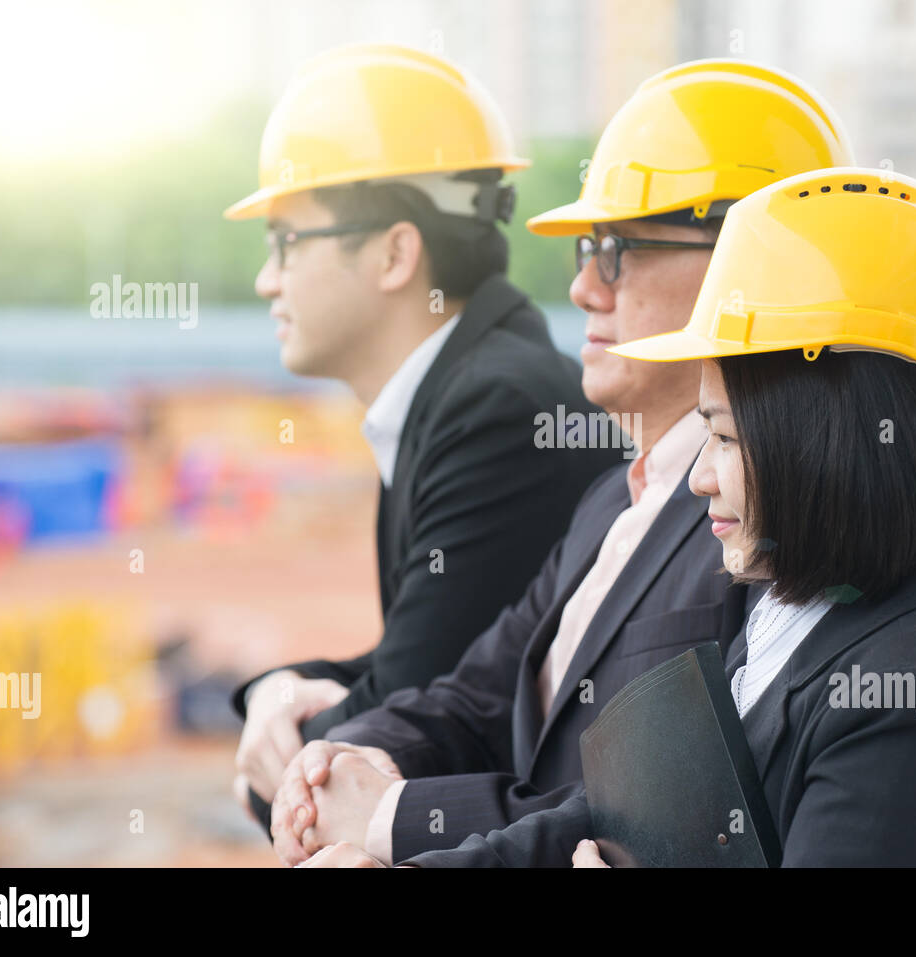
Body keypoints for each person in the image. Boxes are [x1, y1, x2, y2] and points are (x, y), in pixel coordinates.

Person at [342, 166, 916, 867]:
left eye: (724, 440)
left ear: (831, 445)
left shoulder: (907, 706)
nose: (698, 478)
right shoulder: (787, 619)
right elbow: (612, 816)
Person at [265, 59, 856, 866]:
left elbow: (666, 814)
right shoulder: (614, 499)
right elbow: (479, 692)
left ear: (744, 269)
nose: (582, 287)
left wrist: (391, 821)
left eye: (618, 251)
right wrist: (349, 756)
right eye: (587, 248)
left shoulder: (774, 528)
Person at [222, 44, 621, 827]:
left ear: (397, 253)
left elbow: (418, 709)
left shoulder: (498, 411)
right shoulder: (456, 392)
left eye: (285, 243)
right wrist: (277, 689)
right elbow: (421, 667)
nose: (267, 279)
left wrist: (270, 775)